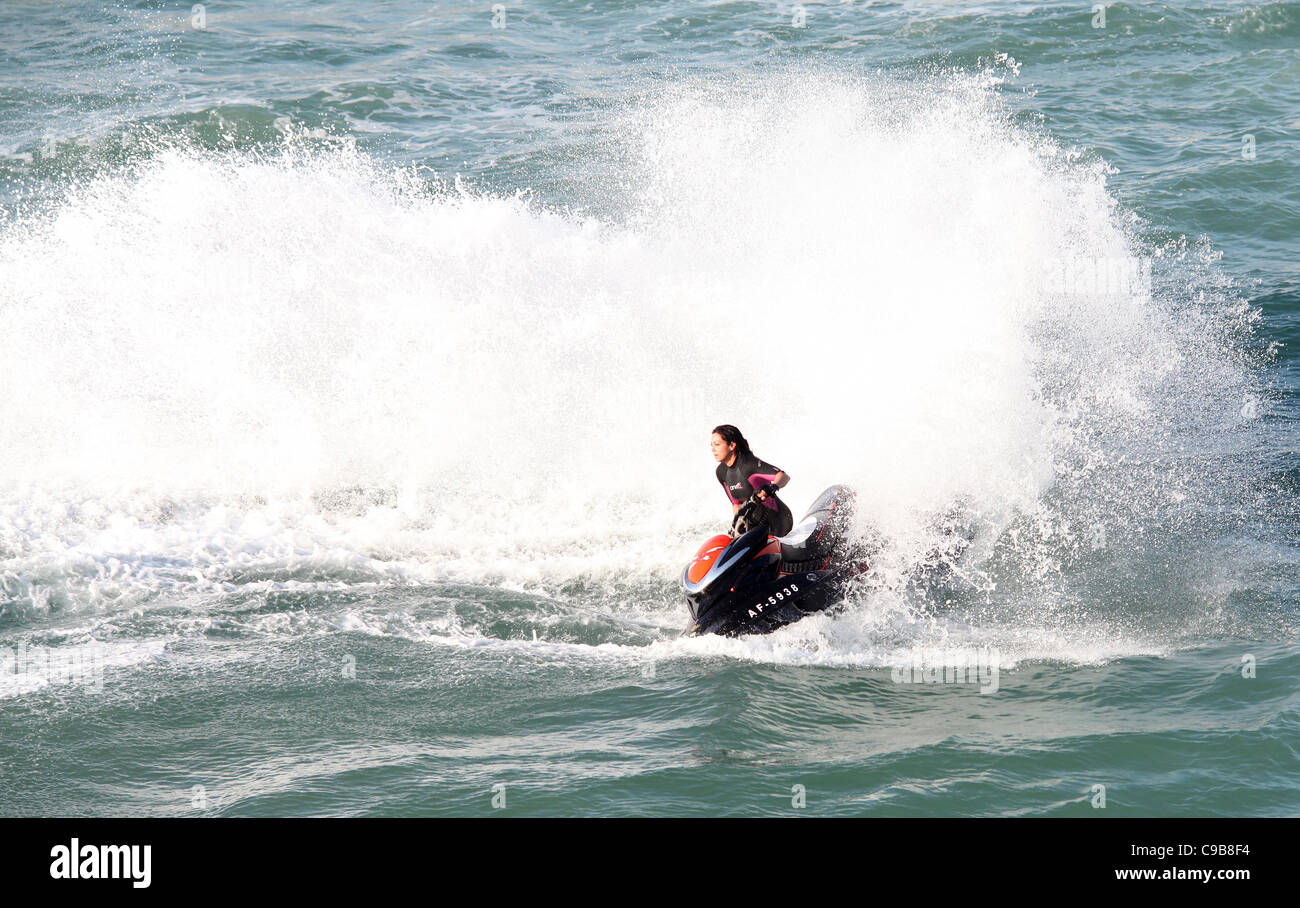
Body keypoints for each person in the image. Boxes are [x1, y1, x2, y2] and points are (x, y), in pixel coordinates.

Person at [711, 424, 794, 537]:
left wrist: (772, 487)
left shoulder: (748, 464)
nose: (713, 449)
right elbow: (736, 504)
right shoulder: (721, 472)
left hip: (779, 524)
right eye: (711, 445)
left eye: (717, 444)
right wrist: (737, 528)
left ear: (731, 445)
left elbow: (783, 476)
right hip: (755, 528)